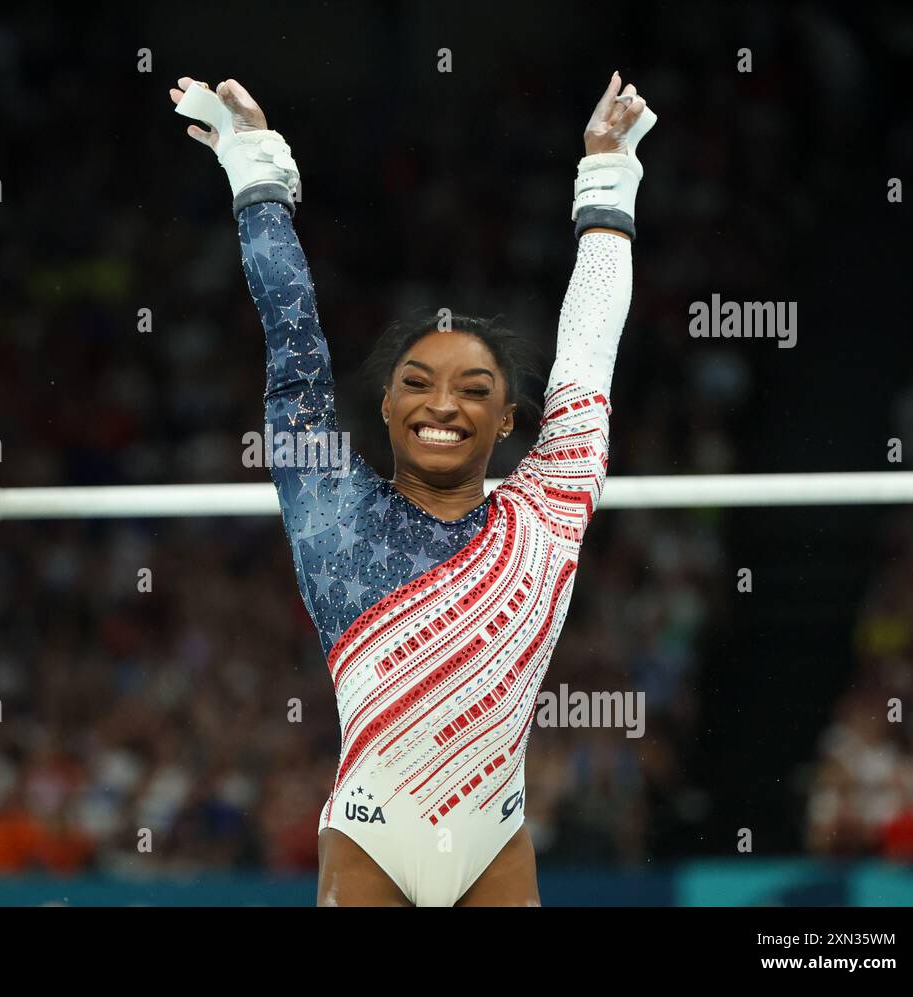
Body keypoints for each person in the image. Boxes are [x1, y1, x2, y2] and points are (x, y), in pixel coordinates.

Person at [169, 72, 655, 906]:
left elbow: (587, 356)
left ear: (508, 419)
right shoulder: (333, 509)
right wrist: (256, 171)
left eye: (474, 388)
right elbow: (294, 354)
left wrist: (608, 178)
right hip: (372, 833)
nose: (443, 403)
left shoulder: (549, 509)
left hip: (495, 841)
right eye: (419, 382)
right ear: (387, 405)